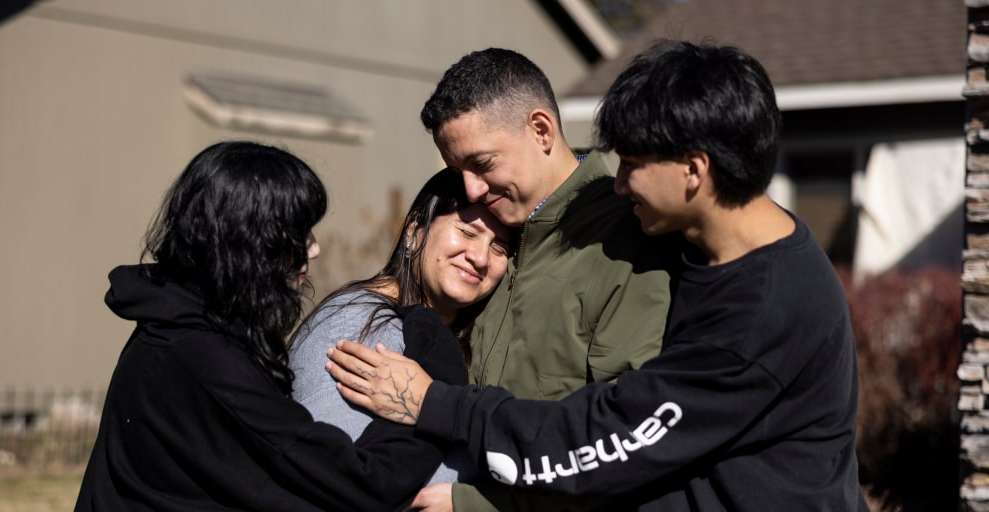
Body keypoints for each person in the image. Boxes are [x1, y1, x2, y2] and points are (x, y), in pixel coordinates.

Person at [326, 40, 869, 511]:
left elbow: (614, 438)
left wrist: (436, 406)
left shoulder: (762, 308)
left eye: (632, 165)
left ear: (694, 170)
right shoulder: (708, 253)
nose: (619, 182)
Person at [76, 140, 466, 511]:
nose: (314, 248)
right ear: (248, 241)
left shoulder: (173, 329)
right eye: (298, 233)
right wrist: (432, 380)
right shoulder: (206, 361)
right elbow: (366, 487)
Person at [414, 47, 678, 510]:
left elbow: (629, 444)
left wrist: (477, 506)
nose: (471, 189)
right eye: (458, 172)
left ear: (541, 130)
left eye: (483, 164)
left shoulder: (628, 242)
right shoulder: (494, 236)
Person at [288, 168, 513, 484]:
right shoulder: (361, 325)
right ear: (414, 233)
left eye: (499, 247)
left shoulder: (473, 336)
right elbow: (338, 476)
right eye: (467, 232)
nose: (480, 258)